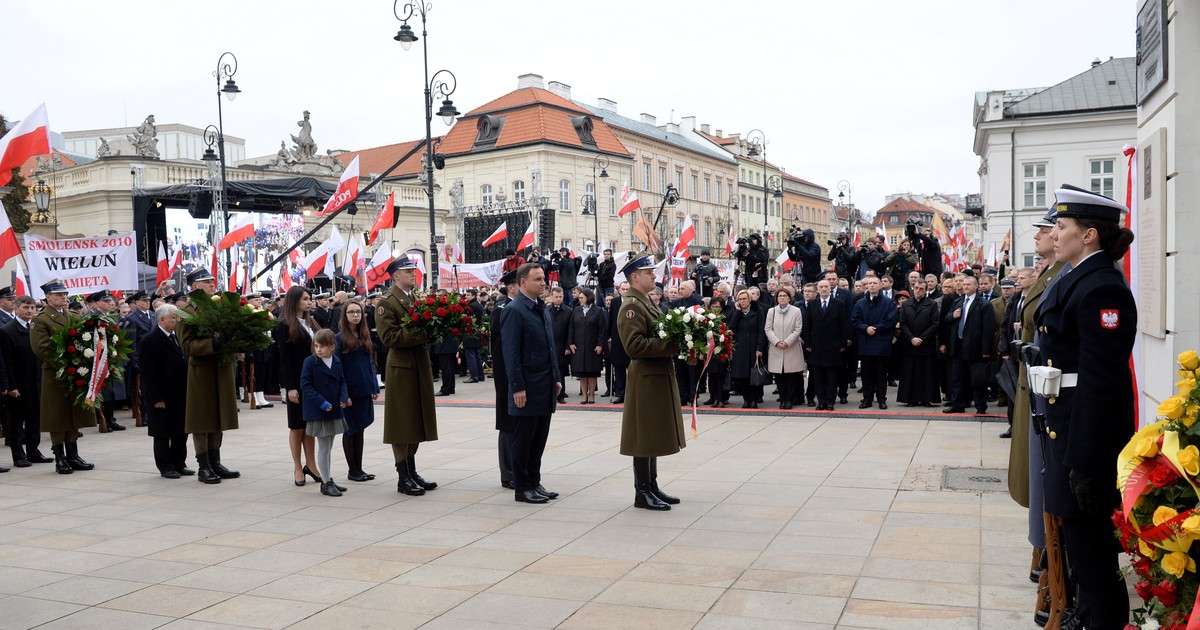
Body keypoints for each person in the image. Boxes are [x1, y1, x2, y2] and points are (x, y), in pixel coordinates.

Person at [1034, 184, 1136, 628]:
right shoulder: (1078, 277)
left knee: (1093, 554)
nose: (1054, 235)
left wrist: (1087, 461)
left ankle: (1102, 621)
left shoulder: (1101, 288)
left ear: (1089, 234)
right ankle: (1088, 615)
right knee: (1079, 547)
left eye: (1062, 226)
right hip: (1066, 426)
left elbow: (1101, 382)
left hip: (1084, 438)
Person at [616, 255, 686, 511]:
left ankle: (652, 486)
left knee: (652, 433)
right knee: (643, 436)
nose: (654, 276)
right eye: (649, 273)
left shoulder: (646, 302)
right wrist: (673, 344)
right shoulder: (631, 306)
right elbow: (634, 346)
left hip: (655, 375)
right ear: (635, 277)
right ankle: (642, 491)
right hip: (645, 378)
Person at [376, 256, 439, 496]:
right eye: (408, 271)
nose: (414, 274)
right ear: (396, 276)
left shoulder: (413, 298)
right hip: (401, 368)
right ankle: (403, 476)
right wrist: (422, 333)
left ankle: (411, 471)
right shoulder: (387, 302)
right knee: (401, 422)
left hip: (418, 364)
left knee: (416, 419)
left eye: (413, 271)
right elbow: (389, 338)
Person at [500, 263, 562, 504]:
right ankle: (522, 487)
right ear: (523, 283)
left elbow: (549, 347)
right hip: (527, 386)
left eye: (543, 278)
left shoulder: (540, 308)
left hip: (544, 385)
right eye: (537, 279)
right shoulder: (514, 310)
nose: (543, 283)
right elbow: (511, 353)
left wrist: (556, 378)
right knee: (524, 439)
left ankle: (534, 482)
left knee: (539, 438)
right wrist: (517, 387)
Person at [178, 268, 241, 484]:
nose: (212, 284)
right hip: (202, 372)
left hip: (220, 369)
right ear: (194, 286)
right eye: (206, 281)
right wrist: (212, 344)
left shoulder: (217, 305)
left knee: (218, 417)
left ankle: (216, 461)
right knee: (202, 420)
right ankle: (203, 466)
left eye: (212, 280)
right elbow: (186, 346)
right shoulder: (187, 311)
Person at [30, 280, 97, 474]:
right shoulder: (41, 319)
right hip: (55, 373)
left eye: (65, 294)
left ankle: (73, 454)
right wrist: (67, 365)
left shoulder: (72, 316)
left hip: (74, 372)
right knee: (57, 415)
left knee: (73, 413)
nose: (64, 297)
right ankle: (59, 456)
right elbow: (41, 348)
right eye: (59, 295)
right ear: (48, 297)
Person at [137, 304, 191, 478]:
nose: (177, 321)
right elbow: (149, 373)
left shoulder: (178, 337)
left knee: (180, 431)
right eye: (174, 318)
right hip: (162, 395)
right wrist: (157, 397)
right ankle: (165, 466)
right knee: (162, 432)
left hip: (180, 393)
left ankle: (179, 463)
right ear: (162, 320)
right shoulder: (149, 341)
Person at [274, 286, 320, 486]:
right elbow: (284, 359)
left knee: (309, 425)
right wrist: (290, 386)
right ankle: (297, 466)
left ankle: (311, 464)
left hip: (312, 381)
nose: (309, 302)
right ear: (294, 301)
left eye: (309, 298)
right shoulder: (285, 324)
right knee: (296, 426)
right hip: (297, 381)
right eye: (305, 299)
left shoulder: (311, 321)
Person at [1, 295, 52, 466]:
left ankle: (33, 451)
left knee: (35, 419)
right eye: (25, 307)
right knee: (16, 422)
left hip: (36, 382)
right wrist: (11, 386)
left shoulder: (36, 328)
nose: (29, 311)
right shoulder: (7, 331)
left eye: (32, 308)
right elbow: (6, 361)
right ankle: (18, 456)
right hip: (18, 385)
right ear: (16, 308)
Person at [300, 329, 351, 497]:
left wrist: (343, 398)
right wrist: (321, 402)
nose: (319, 350)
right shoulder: (310, 362)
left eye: (322, 346)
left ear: (332, 347)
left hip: (334, 408)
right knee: (323, 447)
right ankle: (325, 482)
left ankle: (328, 477)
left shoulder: (336, 360)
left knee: (328, 447)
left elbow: (342, 380)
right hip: (319, 410)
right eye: (316, 346)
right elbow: (306, 386)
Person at [335, 300, 379, 482]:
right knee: (350, 430)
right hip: (350, 393)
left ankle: (359, 469)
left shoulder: (364, 336)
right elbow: (338, 369)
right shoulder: (339, 338)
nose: (355, 315)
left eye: (358, 312)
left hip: (364, 390)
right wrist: (344, 394)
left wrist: (374, 386)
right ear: (344, 316)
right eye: (351, 312)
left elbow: (370, 364)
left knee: (360, 429)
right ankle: (352, 470)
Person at [942, 274, 995, 415]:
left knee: (977, 379)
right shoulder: (958, 302)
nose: (965, 287)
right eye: (964, 285)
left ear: (976, 286)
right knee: (957, 378)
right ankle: (957, 404)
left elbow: (988, 330)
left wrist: (985, 350)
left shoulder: (984, 304)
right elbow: (947, 318)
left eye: (968, 285)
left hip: (975, 348)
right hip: (958, 346)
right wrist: (953, 316)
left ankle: (980, 406)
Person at [491, 270, 520, 489]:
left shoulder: (525, 307)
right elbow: (499, 349)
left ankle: (519, 470)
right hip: (507, 379)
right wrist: (502, 382)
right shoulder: (502, 310)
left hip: (520, 378)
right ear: (512, 287)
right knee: (508, 427)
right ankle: (508, 473)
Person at [850, 276, 897, 409]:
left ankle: (882, 399)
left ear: (880, 285)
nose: (872, 285)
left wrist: (876, 328)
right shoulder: (860, 303)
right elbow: (854, 320)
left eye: (875, 283)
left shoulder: (889, 303)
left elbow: (891, 320)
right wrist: (866, 328)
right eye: (869, 283)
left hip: (881, 342)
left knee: (881, 374)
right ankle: (867, 399)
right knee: (866, 374)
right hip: (865, 343)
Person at [805, 280, 849, 411]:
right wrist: (807, 343)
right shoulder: (812, 305)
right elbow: (807, 325)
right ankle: (821, 401)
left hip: (833, 346)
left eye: (826, 287)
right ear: (817, 290)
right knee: (818, 377)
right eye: (821, 287)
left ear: (830, 288)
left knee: (831, 377)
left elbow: (843, 325)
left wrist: (842, 344)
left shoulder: (839, 304)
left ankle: (830, 401)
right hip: (816, 346)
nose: (824, 289)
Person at [896, 281, 940, 407]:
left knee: (927, 372)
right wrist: (911, 338)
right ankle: (911, 398)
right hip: (910, 344)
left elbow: (935, 324)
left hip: (926, 344)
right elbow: (902, 323)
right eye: (916, 288)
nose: (918, 291)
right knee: (910, 372)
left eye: (921, 289)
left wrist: (922, 338)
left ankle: (927, 398)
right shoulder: (907, 304)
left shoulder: (932, 304)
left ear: (926, 290)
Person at [764, 287, 804, 409]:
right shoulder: (772, 311)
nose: (782, 298)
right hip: (776, 348)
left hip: (791, 347)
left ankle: (789, 399)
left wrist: (787, 342)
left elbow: (798, 329)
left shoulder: (796, 311)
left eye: (784, 296)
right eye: (780, 296)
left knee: (791, 376)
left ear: (789, 298)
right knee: (779, 376)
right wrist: (776, 342)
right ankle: (783, 399)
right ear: (776, 298)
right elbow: (768, 328)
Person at [728, 289, 768, 408]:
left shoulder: (758, 311)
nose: (742, 301)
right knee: (741, 376)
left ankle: (754, 399)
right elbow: (732, 328)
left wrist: (760, 348)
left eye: (744, 299)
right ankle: (746, 399)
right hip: (740, 348)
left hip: (754, 346)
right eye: (740, 299)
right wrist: (738, 312)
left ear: (749, 299)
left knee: (753, 375)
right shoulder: (737, 312)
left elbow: (762, 330)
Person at [566, 286, 606, 405]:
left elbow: (601, 330)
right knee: (582, 373)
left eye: (582, 297)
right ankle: (584, 396)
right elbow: (571, 328)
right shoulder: (576, 310)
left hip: (592, 346)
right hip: (579, 347)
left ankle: (592, 395)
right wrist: (571, 343)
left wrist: (600, 345)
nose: (580, 300)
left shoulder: (598, 311)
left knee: (591, 372)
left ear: (588, 298)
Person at [606, 281, 630, 404]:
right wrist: (609, 336)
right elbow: (610, 320)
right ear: (619, 290)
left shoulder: (633, 302)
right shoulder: (615, 302)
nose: (625, 291)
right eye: (623, 289)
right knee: (619, 368)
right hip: (617, 339)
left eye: (627, 289)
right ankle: (620, 393)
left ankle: (631, 394)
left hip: (630, 339)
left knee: (631, 368)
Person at [548, 287, 572, 403]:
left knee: (561, 371)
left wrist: (568, 346)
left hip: (562, 345)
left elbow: (570, 330)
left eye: (560, 297)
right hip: (550, 345)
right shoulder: (547, 311)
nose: (558, 299)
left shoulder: (568, 311)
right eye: (556, 297)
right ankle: (551, 393)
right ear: (552, 297)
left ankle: (561, 395)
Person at [462, 289, 486, 383]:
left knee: (471, 354)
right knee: (476, 354)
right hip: (477, 332)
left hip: (470, 332)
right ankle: (480, 375)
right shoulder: (478, 305)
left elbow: (467, 319)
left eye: (468, 295)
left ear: (473, 296)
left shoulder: (471, 306)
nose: (466, 297)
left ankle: (474, 376)